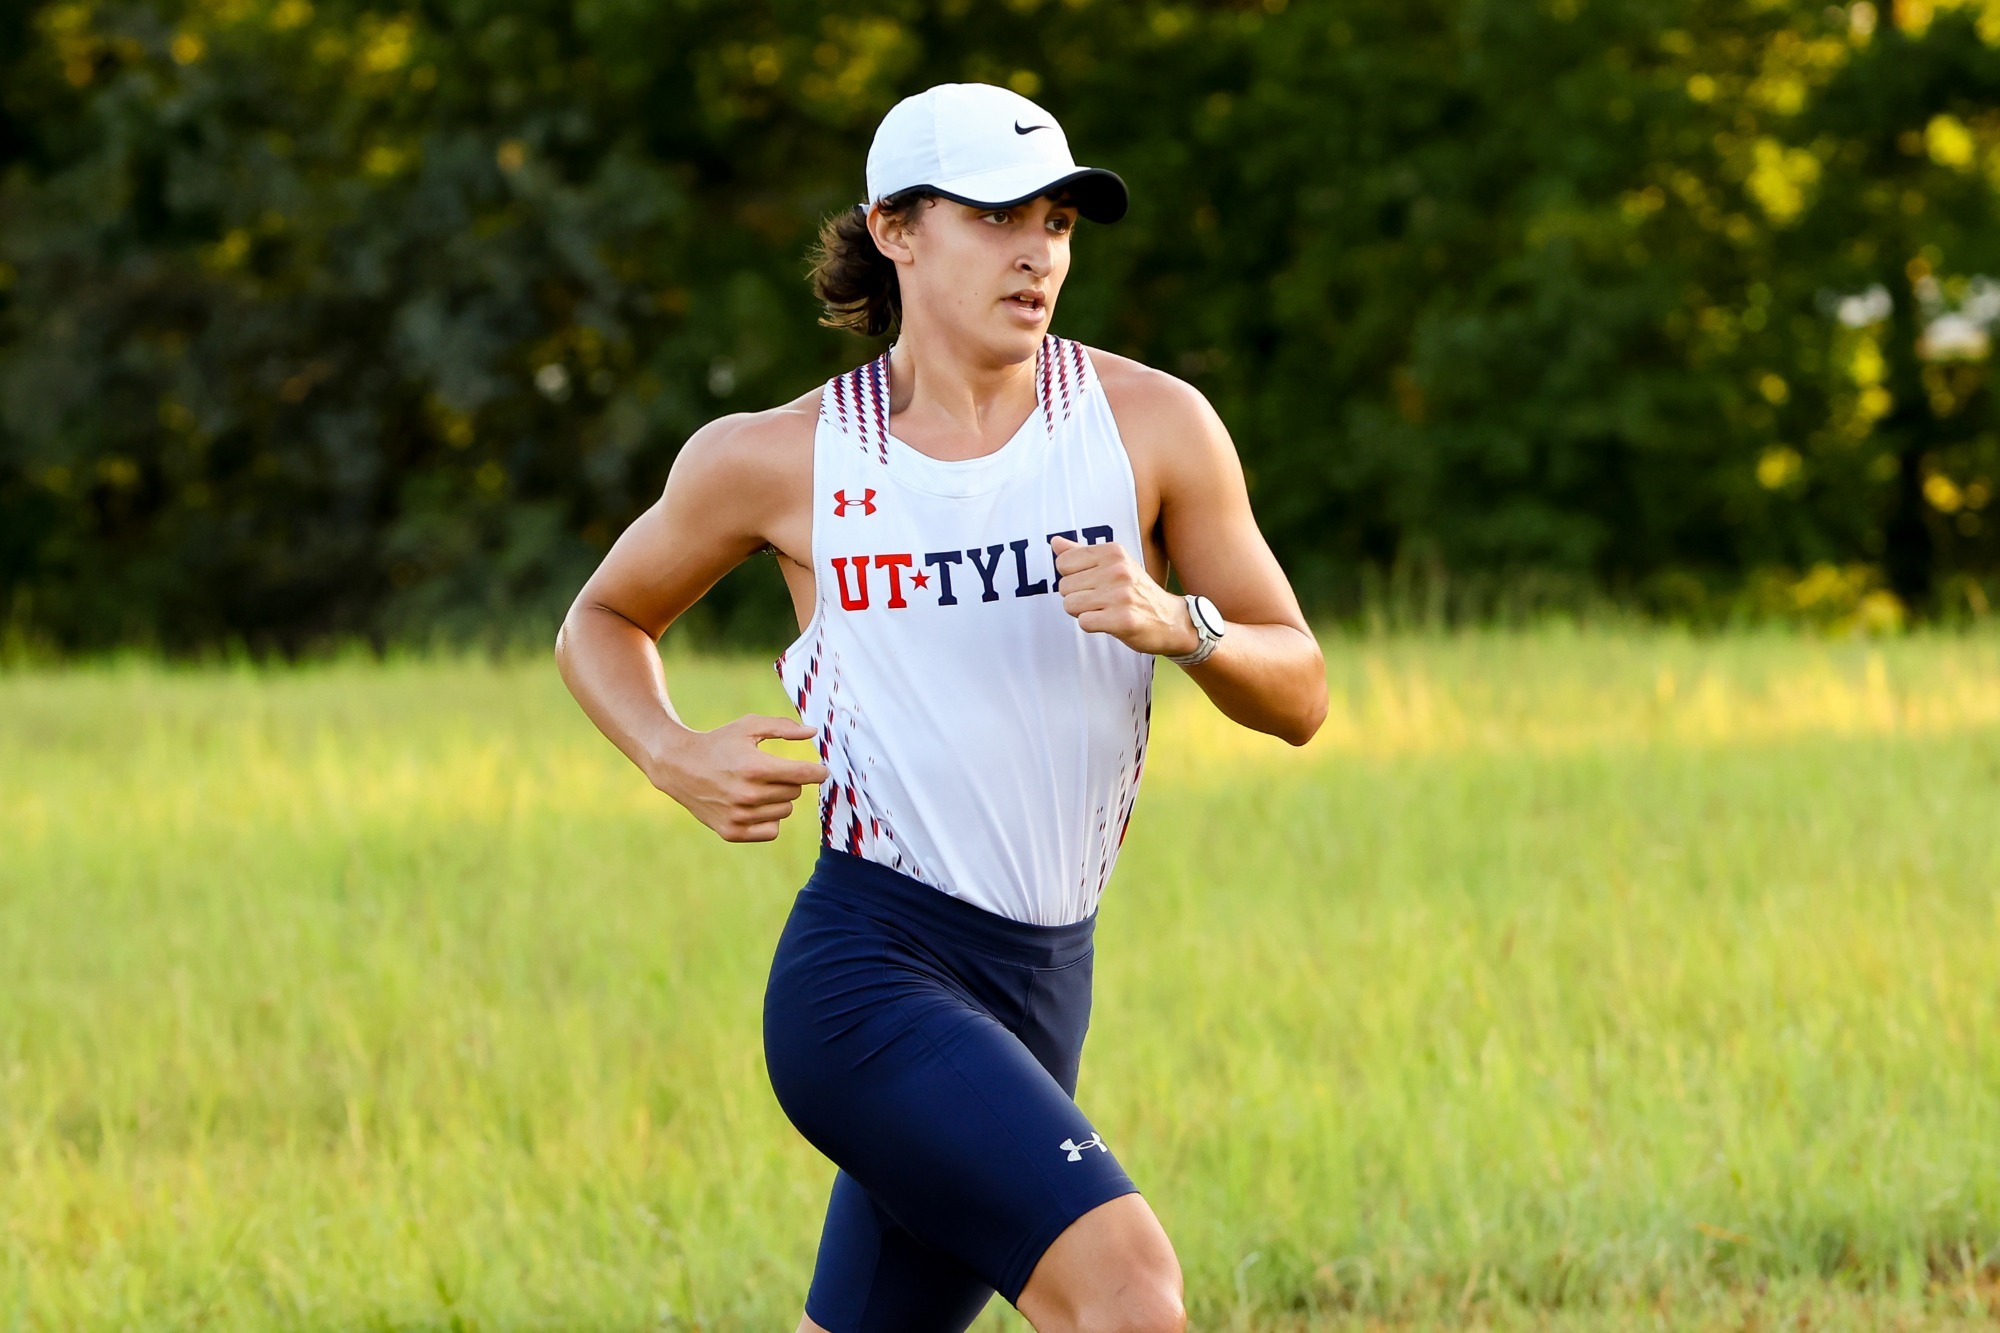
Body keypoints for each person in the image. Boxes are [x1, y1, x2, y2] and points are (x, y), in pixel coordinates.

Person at [555, 82, 1326, 1333]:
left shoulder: (1152, 426)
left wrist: (1174, 621)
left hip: (1041, 980)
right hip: (869, 973)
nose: (1038, 251)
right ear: (894, 230)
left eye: (1060, 222)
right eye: (994, 215)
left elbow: (1300, 689)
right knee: (1128, 1291)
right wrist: (667, 750)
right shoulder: (778, 456)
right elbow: (600, 617)